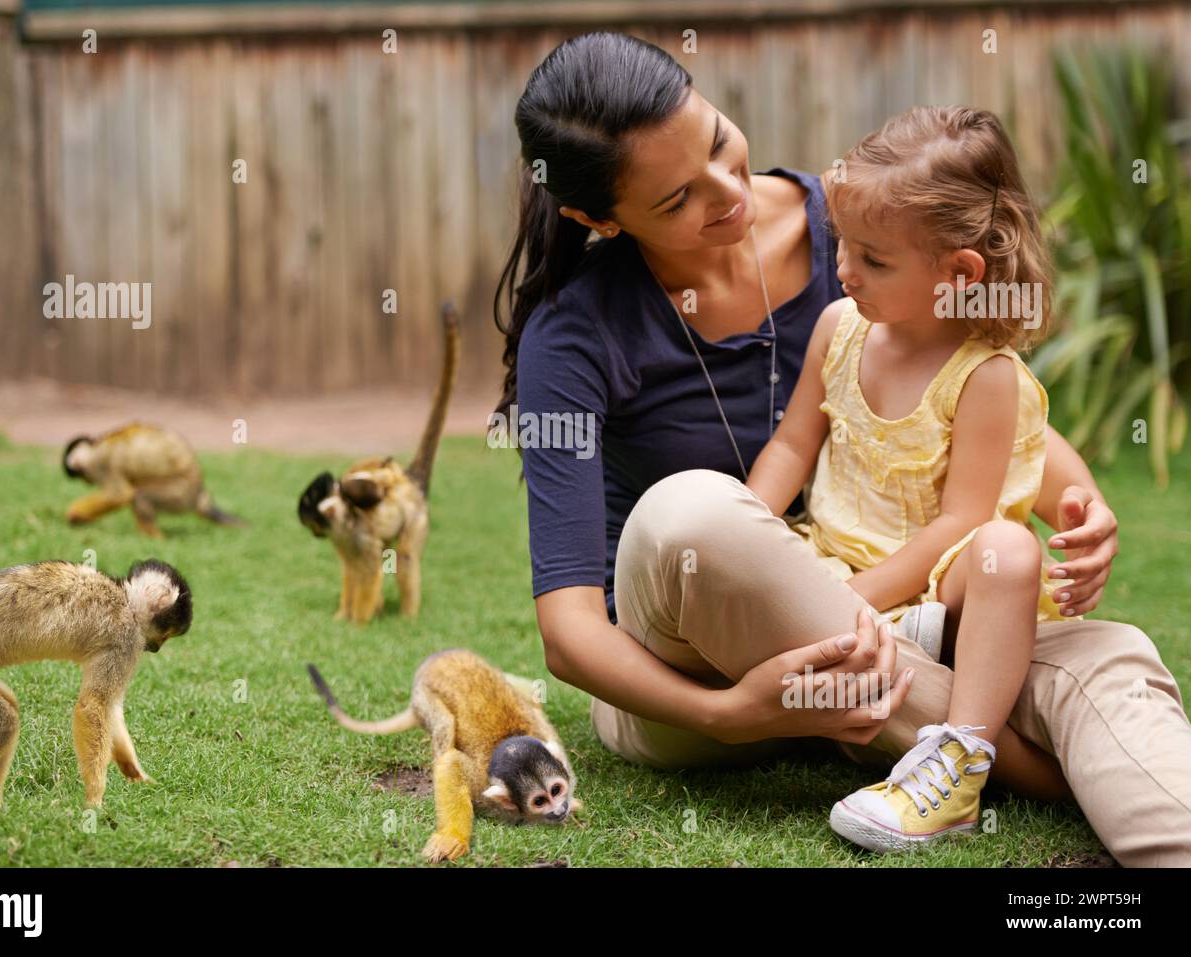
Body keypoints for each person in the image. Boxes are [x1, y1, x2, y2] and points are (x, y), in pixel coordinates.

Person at [495, 31, 1191, 865]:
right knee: (694, 512)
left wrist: (1085, 507)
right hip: (694, 668)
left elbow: (970, 392)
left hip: (887, 615)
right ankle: (1013, 762)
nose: (728, 193)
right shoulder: (573, 335)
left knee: (1102, 655)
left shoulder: (863, 222)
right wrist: (736, 710)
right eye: (678, 198)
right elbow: (571, 636)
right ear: (596, 217)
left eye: (719, 141)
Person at [745, 105, 1072, 852]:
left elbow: (961, 523)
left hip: (932, 586)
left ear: (959, 274)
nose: (844, 269)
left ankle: (958, 761)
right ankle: (887, 661)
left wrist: (853, 599)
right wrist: (746, 525)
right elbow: (794, 445)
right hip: (833, 561)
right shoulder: (838, 327)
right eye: (840, 244)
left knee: (1008, 551)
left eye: (875, 259)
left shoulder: (986, 377)